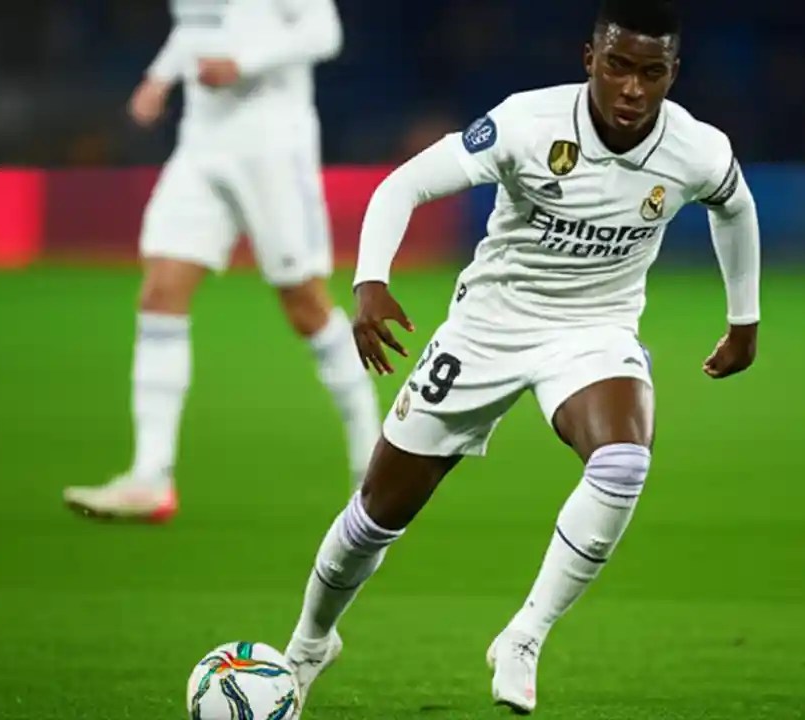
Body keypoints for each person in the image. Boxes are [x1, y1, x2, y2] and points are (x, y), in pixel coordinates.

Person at [280, 0, 762, 713]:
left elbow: (736, 207)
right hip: (488, 329)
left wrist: (743, 320)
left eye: (652, 73)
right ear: (590, 59)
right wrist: (370, 283)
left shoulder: (696, 149)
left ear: (672, 74)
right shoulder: (526, 124)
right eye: (620, 67)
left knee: (624, 461)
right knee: (377, 515)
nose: (633, 89)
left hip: (594, 331)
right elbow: (401, 185)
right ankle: (309, 644)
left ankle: (525, 635)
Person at [63, 0, 380, 522]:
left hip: (273, 148)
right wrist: (159, 78)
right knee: (160, 291)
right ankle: (150, 477)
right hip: (202, 146)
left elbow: (324, 32)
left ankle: (372, 455)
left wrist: (244, 62)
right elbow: (194, 30)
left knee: (304, 304)